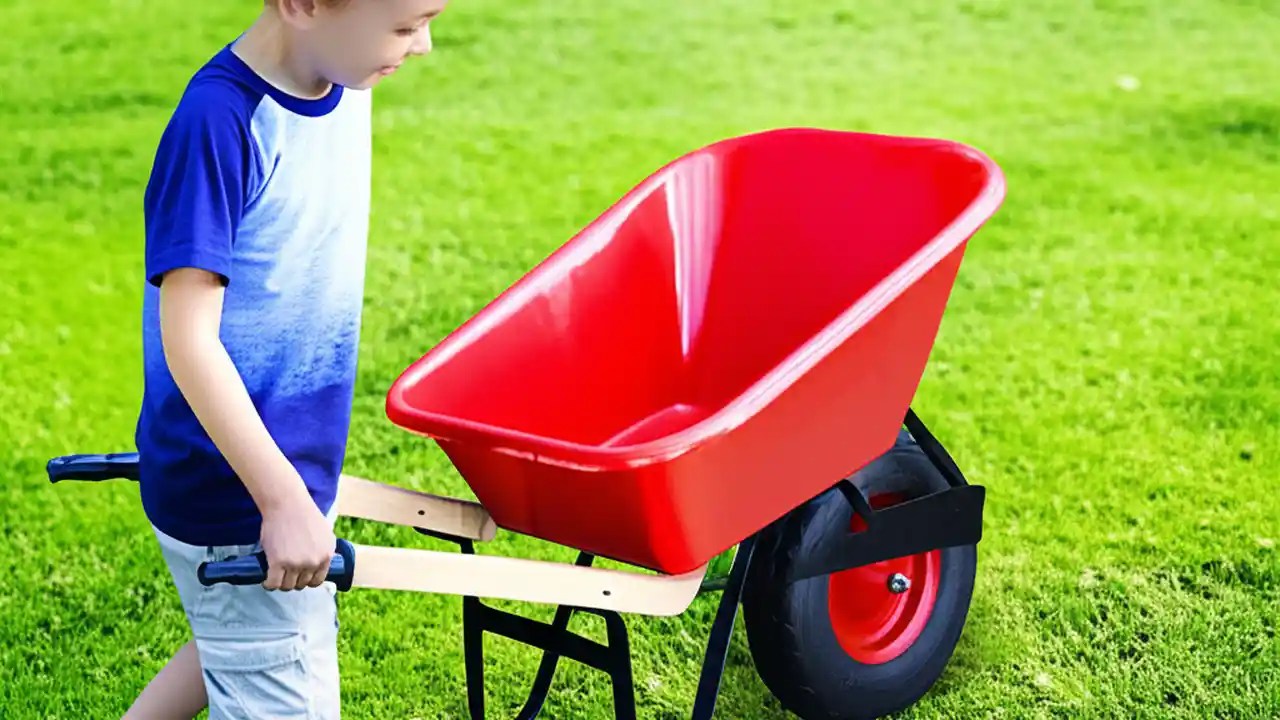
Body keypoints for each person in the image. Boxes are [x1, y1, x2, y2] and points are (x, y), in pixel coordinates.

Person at [124, 1, 447, 717]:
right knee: (272, 666)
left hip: (283, 472)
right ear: (302, 5)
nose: (423, 45)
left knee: (234, 639)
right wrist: (280, 502)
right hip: (238, 488)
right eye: (405, 25)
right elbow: (189, 340)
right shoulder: (219, 124)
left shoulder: (343, 81)